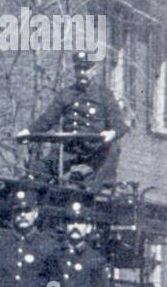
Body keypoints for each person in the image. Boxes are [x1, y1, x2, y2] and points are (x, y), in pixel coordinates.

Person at [16, 52, 126, 187]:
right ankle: (29, 204)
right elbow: (47, 119)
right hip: (69, 150)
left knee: (105, 159)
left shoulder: (105, 96)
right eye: (79, 69)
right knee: (37, 172)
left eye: (86, 69)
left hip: (95, 153)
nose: (82, 73)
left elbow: (120, 125)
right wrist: (28, 131)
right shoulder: (66, 94)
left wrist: (111, 133)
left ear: (94, 71)